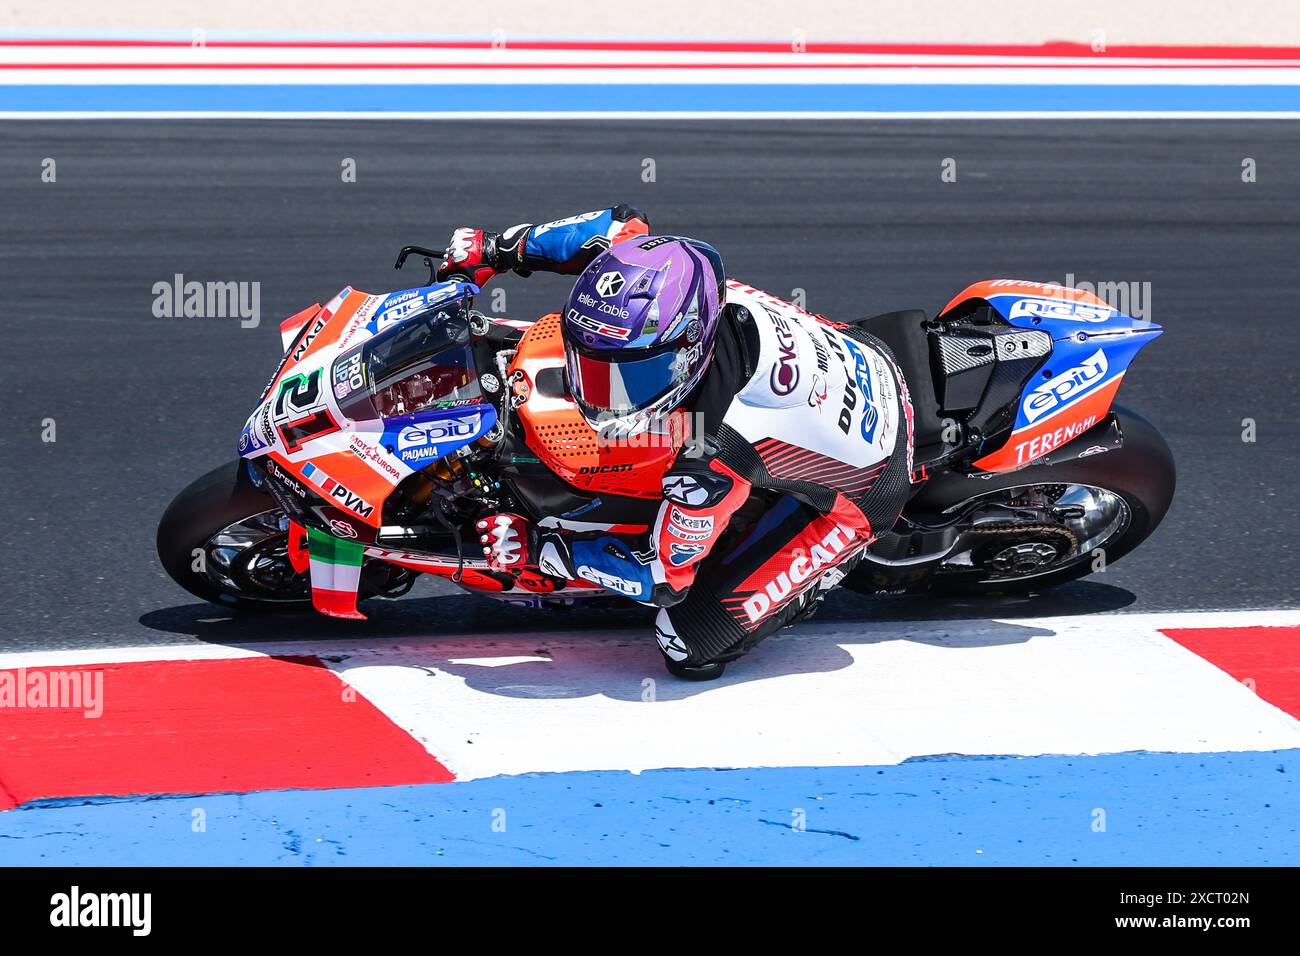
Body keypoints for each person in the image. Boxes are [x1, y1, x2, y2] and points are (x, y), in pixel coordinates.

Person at [438, 206, 915, 679]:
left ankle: (819, 573)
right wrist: (498, 247)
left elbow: (662, 579)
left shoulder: (709, 453)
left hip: (869, 484)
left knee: (686, 645)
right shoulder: (671, 274)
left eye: (626, 375)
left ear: (687, 351)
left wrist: (540, 549)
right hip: (853, 351)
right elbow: (619, 225)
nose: (596, 394)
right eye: (591, 365)